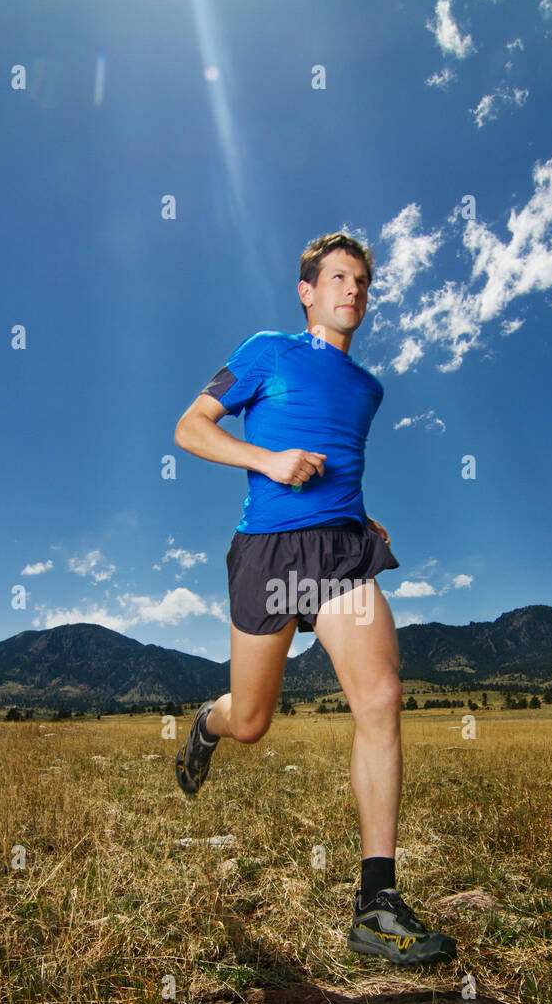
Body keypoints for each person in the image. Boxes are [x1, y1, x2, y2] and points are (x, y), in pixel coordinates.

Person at [172, 232, 456, 967]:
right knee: (253, 720)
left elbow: (342, 463)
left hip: (340, 554)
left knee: (382, 694)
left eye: (362, 280)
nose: (352, 290)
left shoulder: (369, 388)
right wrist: (267, 459)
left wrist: (359, 517)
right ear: (308, 290)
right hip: (267, 553)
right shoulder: (267, 351)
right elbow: (190, 427)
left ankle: (377, 903)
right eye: (338, 277)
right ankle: (209, 723)